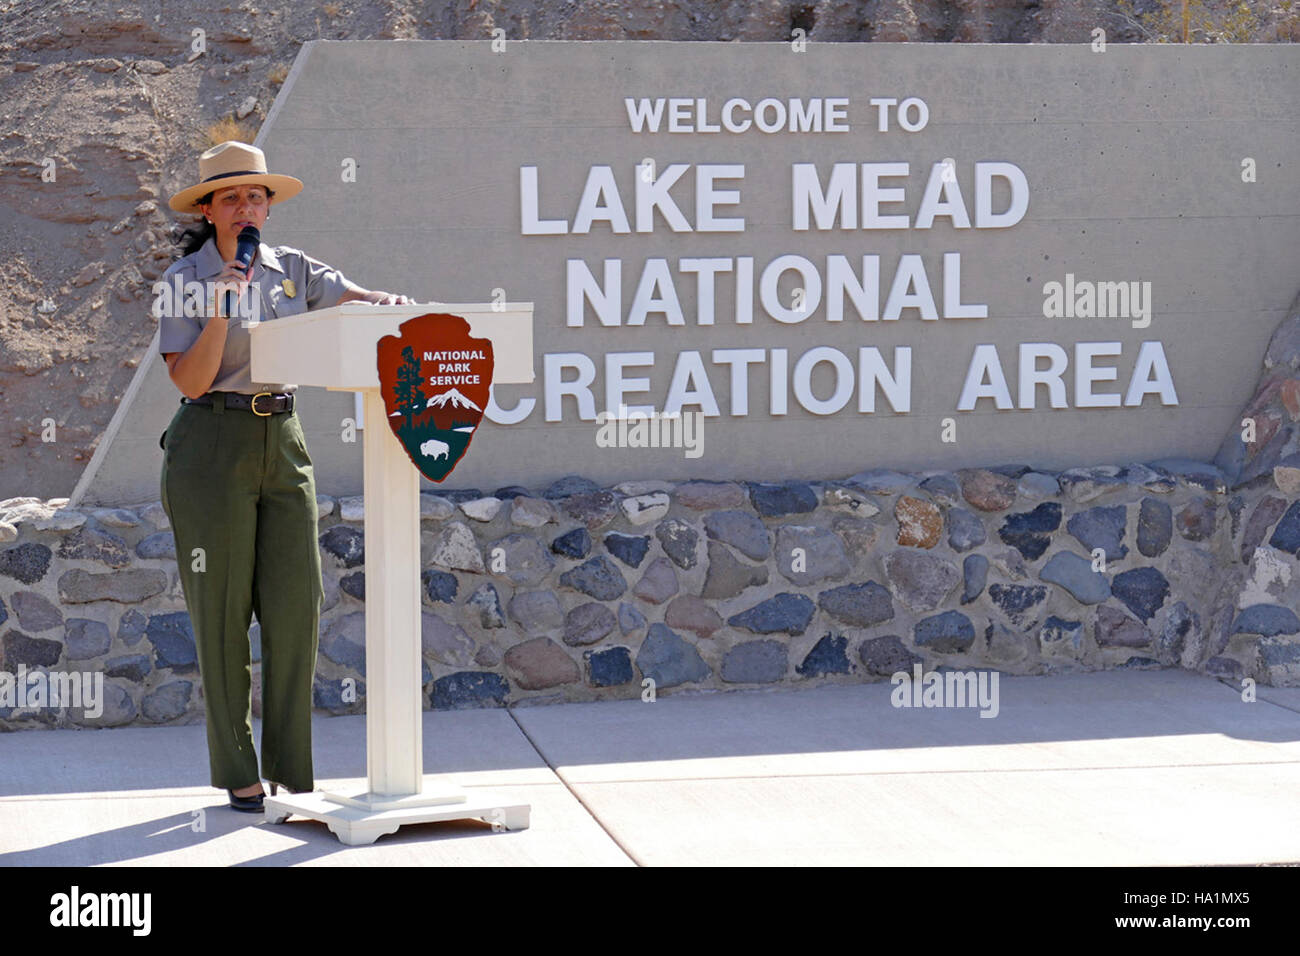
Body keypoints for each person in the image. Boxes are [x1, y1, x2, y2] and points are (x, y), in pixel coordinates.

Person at [158, 141, 412, 812]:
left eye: (256, 196)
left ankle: (292, 770)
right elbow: (188, 377)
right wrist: (219, 307)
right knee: (221, 617)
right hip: (211, 443)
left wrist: (401, 307)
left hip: (285, 438)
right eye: (232, 198)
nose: (246, 208)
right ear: (209, 210)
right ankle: (238, 771)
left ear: (268, 207)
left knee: (297, 605)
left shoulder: (293, 269)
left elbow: (361, 300)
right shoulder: (184, 278)